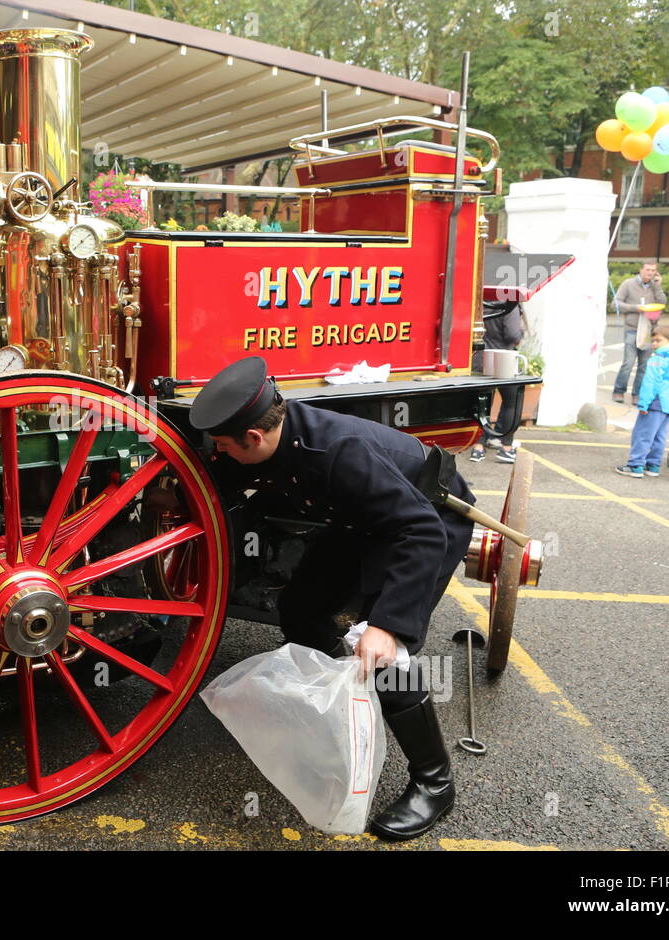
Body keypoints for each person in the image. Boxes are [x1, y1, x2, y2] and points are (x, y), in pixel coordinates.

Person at [189, 355, 475, 841]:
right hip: (356, 520)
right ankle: (341, 714)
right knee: (301, 609)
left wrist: (386, 625)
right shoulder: (273, 435)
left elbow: (420, 530)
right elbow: (225, 476)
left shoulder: (339, 452)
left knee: (382, 654)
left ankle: (434, 782)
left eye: (224, 445)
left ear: (253, 438)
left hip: (421, 524)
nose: (221, 452)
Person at [615, 325, 669, 478]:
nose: (655, 344)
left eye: (658, 340)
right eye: (653, 341)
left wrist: (644, 403)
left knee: (643, 433)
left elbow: (650, 382)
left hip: (655, 401)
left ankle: (636, 465)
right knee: (659, 435)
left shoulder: (658, 359)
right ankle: (653, 465)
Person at [469, 299, 524, 464]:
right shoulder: (509, 304)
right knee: (511, 402)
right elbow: (512, 334)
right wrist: (521, 334)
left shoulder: (479, 301)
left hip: (479, 359)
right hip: (503, 359)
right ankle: (506, 447)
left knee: (482, 403)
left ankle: (478, 447)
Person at [613, 261, 666, 405]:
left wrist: (658, 287)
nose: (650, 273)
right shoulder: (628, 284)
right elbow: (616, 304)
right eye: (648, 270)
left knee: (644, 365)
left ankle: (637, 393)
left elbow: (663, 302)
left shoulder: (655, 287)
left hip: (649, 330)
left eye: (653, 271)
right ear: (641, 270)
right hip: (632, 328)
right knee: (628, 363)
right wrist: (636, 308)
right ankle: (619, 391)